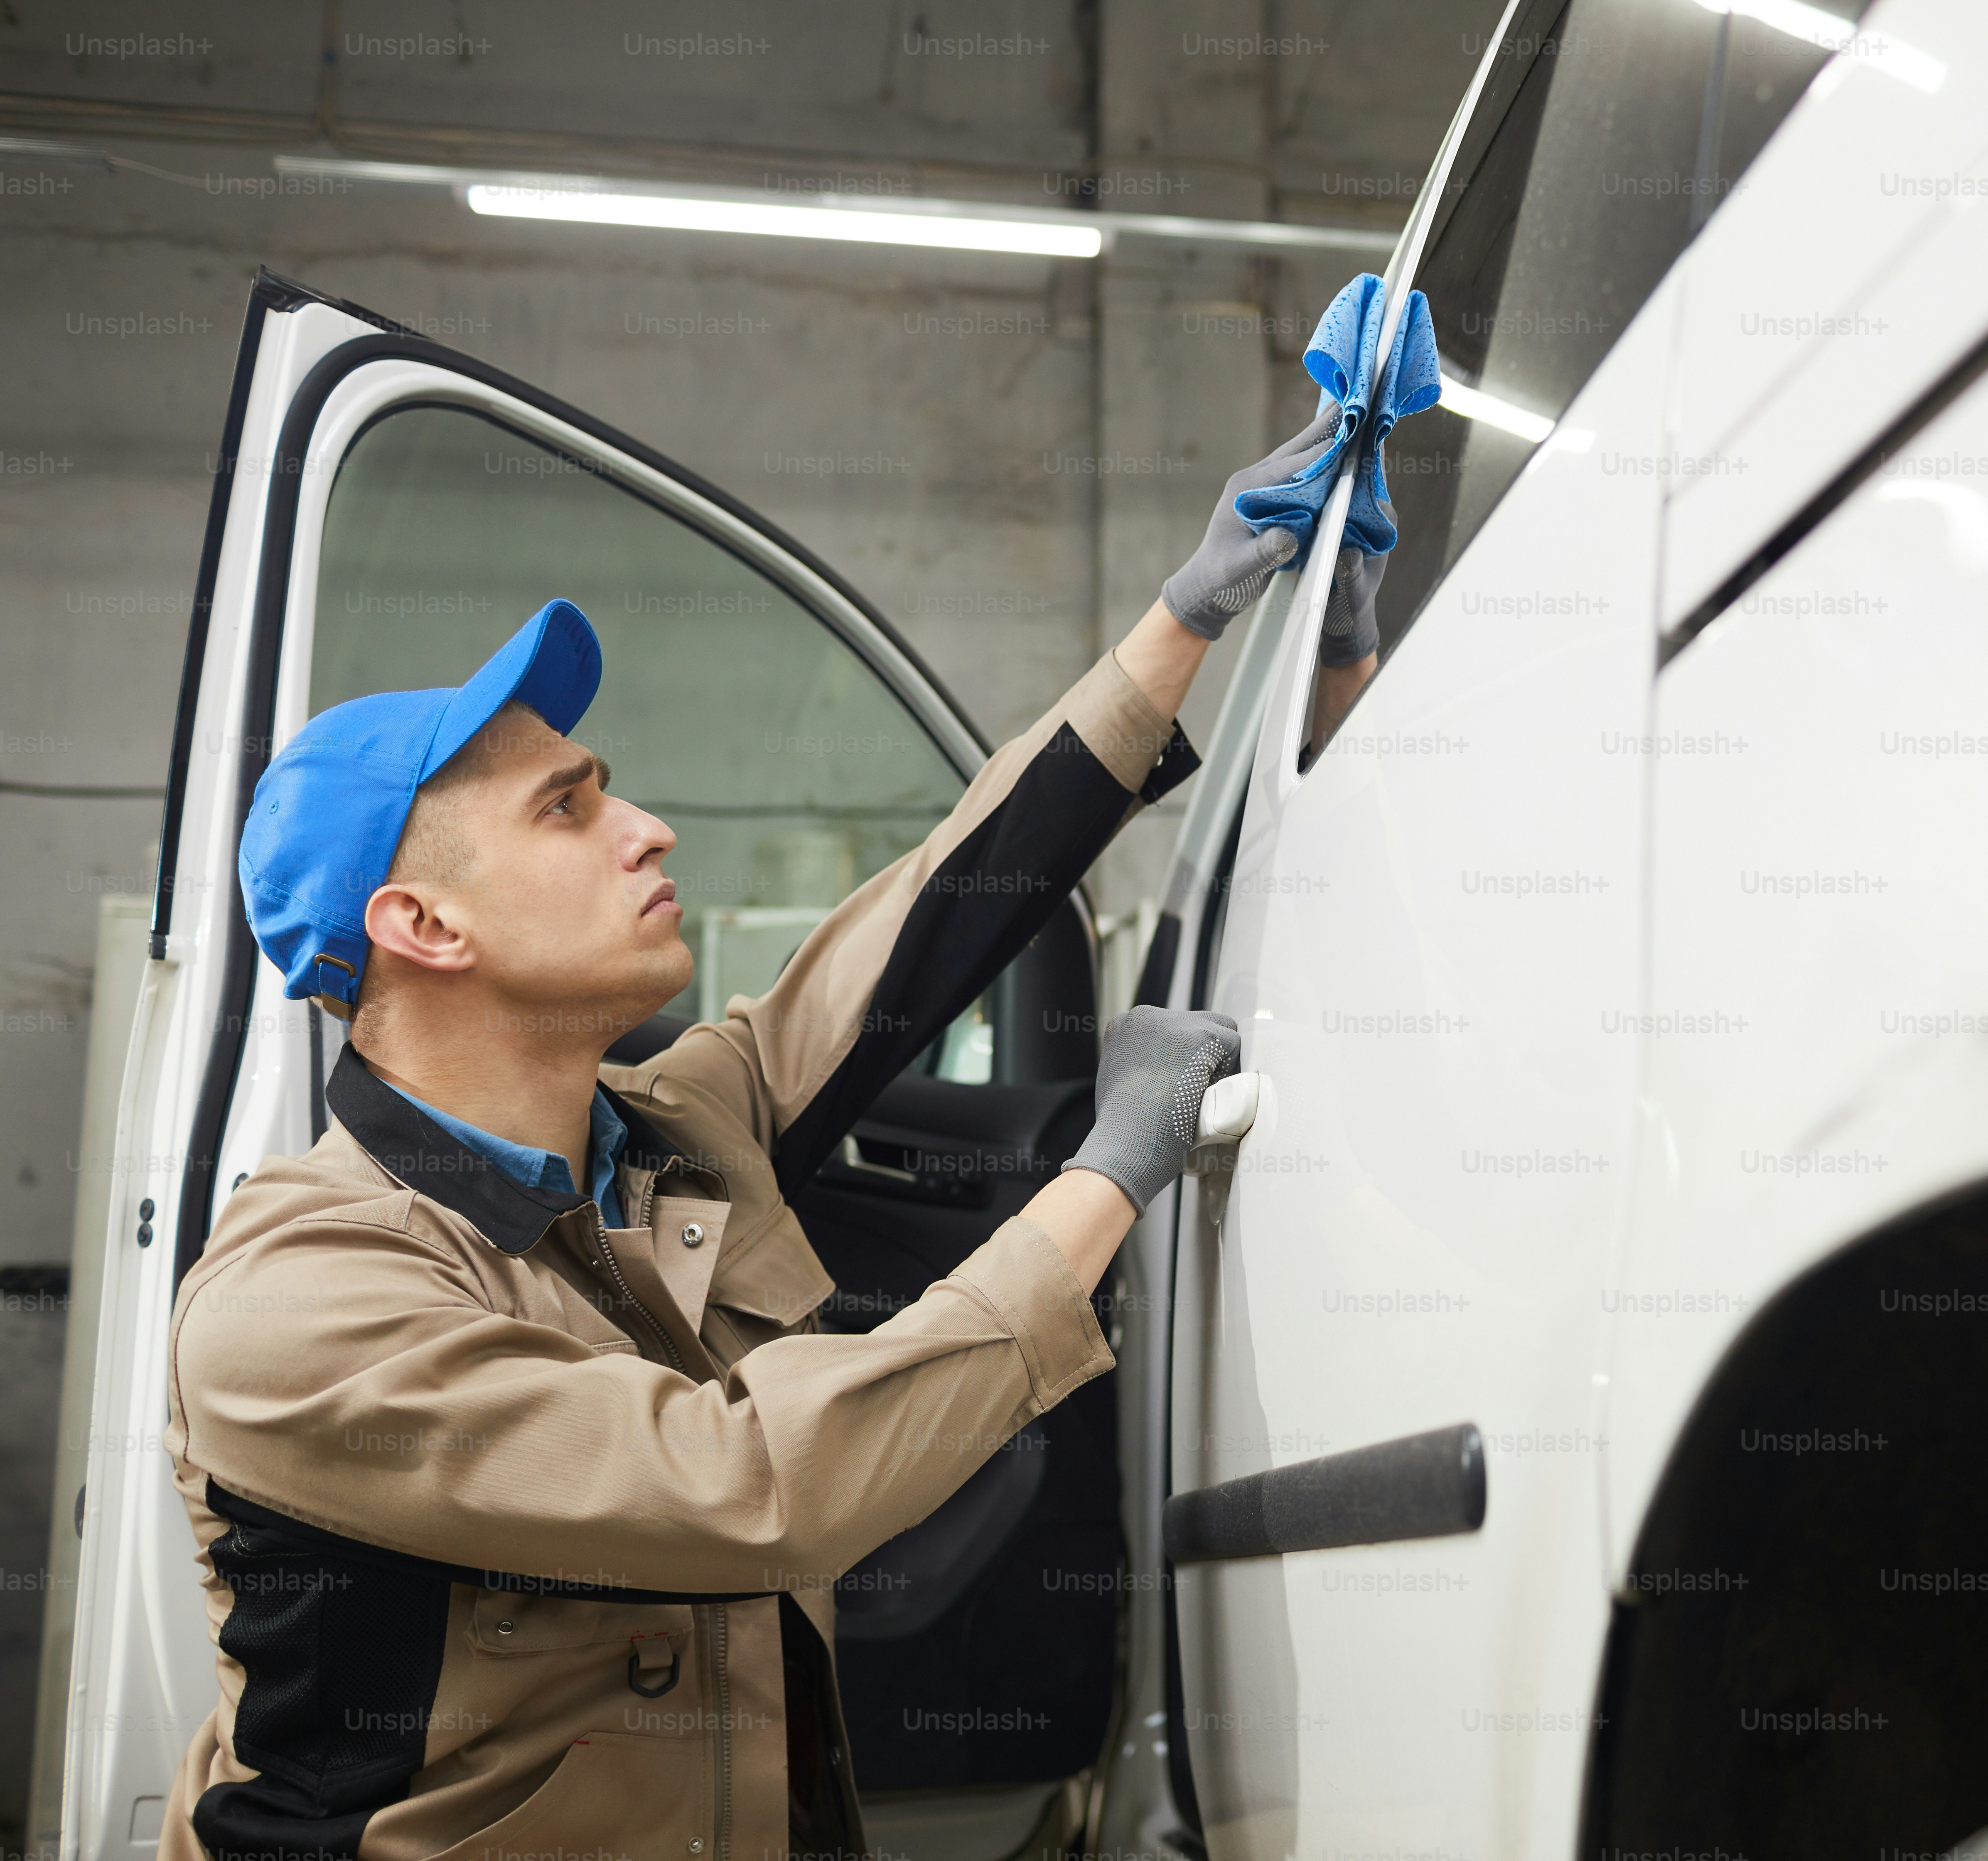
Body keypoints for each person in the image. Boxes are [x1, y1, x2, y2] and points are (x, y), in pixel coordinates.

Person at [156, 410, 1388, 1861]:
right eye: (571, 810)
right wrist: (1110, 1174)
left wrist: (1194, 618)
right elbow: (751, 1484)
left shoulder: (671, 1126)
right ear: (423, 925)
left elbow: (928, 926)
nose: (652, 830)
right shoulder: (303, 1302)